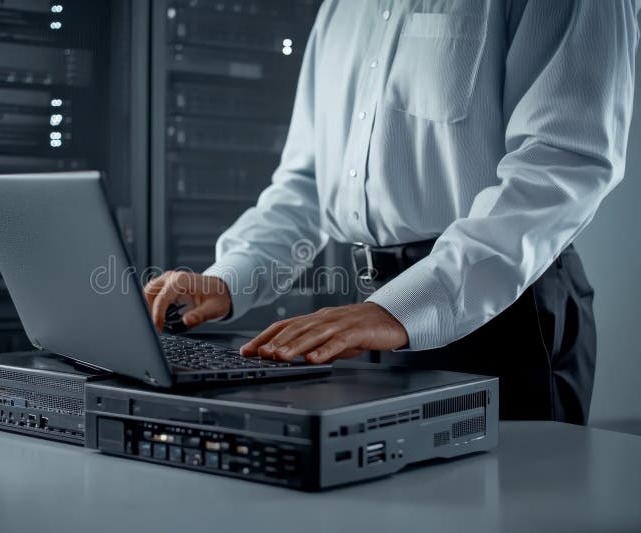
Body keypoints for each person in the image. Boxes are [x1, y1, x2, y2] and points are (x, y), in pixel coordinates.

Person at [144, 0, 640, 424]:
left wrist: (401, 307)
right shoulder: (342, 8)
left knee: (516, 509)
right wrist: (229, 278)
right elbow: (308, 183)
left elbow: (564, 162)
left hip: (508, 314)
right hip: (369, 316)